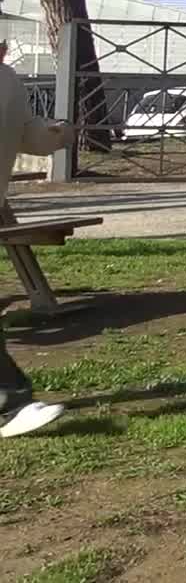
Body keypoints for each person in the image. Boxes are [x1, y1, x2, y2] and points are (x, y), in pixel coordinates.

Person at [0, 52, 75, 438]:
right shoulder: (7, 78)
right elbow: (30, 133)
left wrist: (55, 133)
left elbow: (27, 132)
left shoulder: (6, 79)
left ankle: (10, 402)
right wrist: (58, 133)